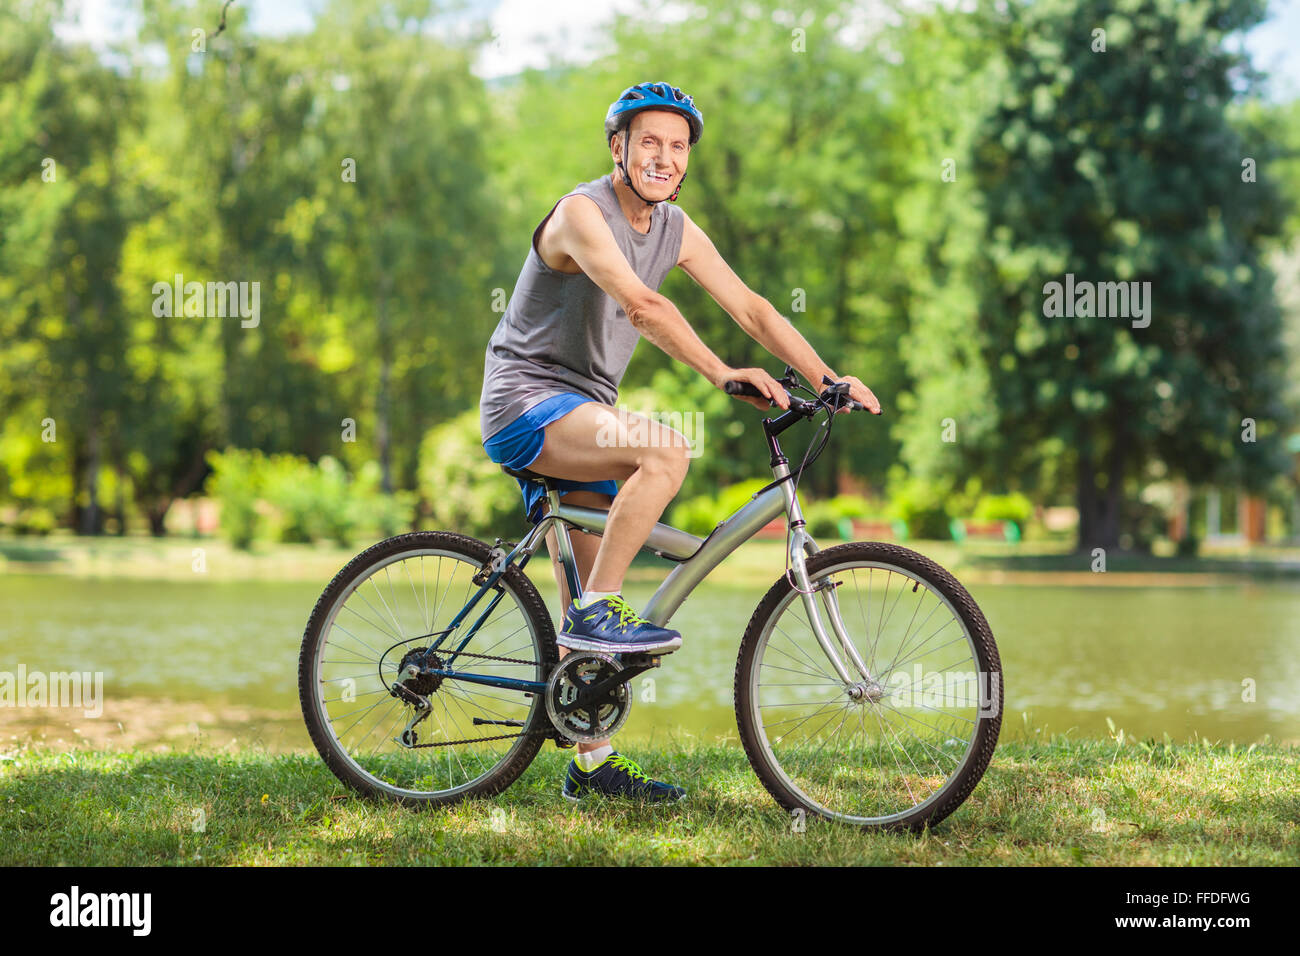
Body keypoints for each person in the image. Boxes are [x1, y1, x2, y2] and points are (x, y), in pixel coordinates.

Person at [479, 81, 881, 804]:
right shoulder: (581, 214)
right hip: (526, 402)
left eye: (678, 145)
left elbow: (752, 306)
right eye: (650, 142)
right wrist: (722, 373)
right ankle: (594, 609)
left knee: (589, 624)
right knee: (666, 451)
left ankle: (589, 766)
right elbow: (642, 304)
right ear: (619, 148)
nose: (664, 157)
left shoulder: (675, 225)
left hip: (586, 411)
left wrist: (829, 378)